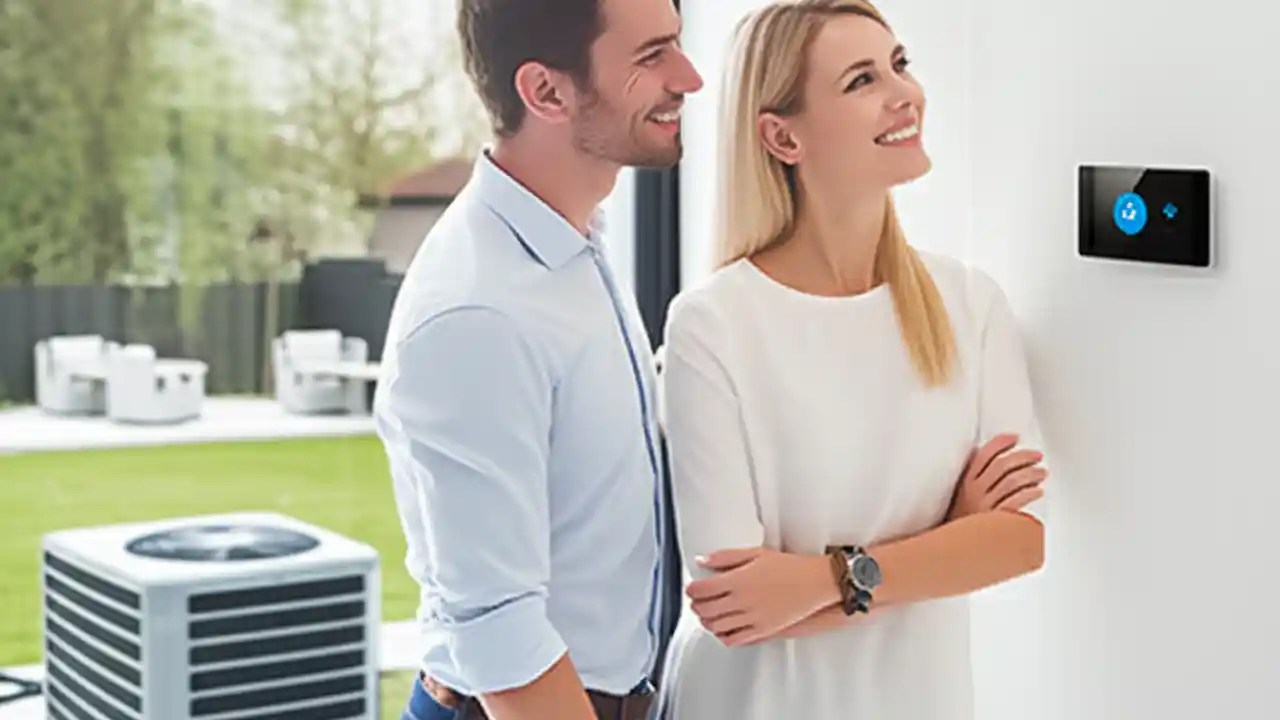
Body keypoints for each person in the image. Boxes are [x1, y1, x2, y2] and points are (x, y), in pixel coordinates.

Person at [655, 1, 1048, 718]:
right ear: (782, 136)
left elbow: (1018, 542)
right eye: (861, 80)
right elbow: (736, 607)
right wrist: (944, 541)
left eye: (898, 64)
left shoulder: (969, 303)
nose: (906, 94)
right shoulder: (713, 325)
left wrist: (821, 579)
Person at [373, 1, 703, 719]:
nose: (691, 77)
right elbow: (503, 639)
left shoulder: (571, 241)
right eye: (652, 56)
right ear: (546, 92)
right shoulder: (478, 312)